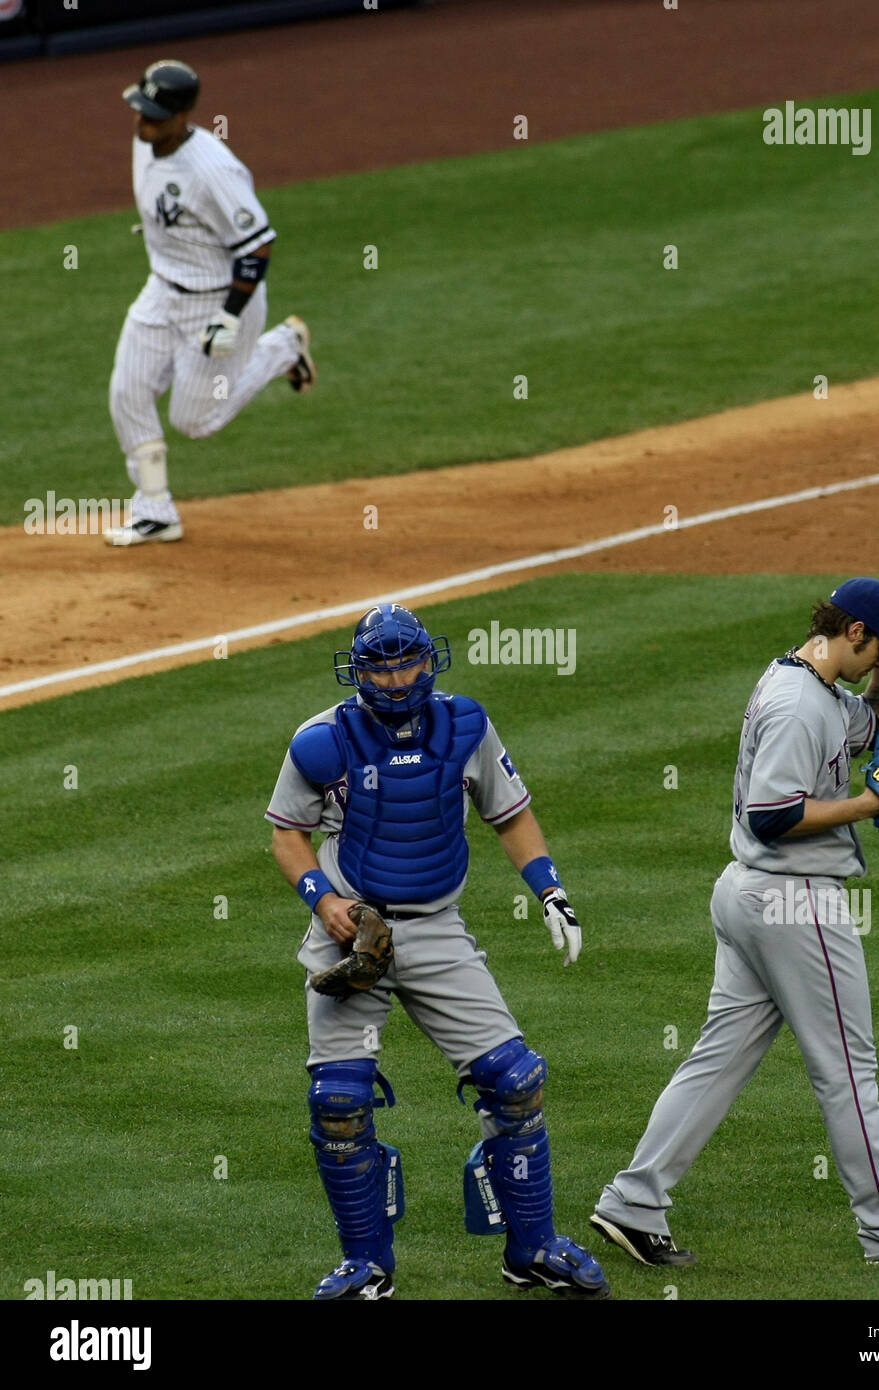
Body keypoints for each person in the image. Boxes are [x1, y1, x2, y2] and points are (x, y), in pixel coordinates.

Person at [591, 577, 879, 1269]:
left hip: (749, 897)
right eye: (878, 647)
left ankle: (633, 1200)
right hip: (791, 901)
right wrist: (869, 804)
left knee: (718, 1058)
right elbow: (771, 816)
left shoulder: (817, 687)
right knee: (847, 1070)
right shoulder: (800, 705)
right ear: (853, 630)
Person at [266, 603, 610, 1300]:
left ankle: (532, 1249)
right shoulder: (321, 741)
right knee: (339, 1101)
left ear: (430, 659)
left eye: (407, 661)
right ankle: (366, 1264)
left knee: (515, 1081)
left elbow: (508, 813)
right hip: (351, 931)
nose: (396, 678)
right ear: (358, 672)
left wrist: (551, 892)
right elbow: (286, 833)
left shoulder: (465, 727)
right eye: (380, 666)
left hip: (434, 928)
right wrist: (322, 901)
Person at [105, 60, 315, 546]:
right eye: (140, 111)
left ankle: (283, 347)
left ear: (183, 117)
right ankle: (155, 508)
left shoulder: (214, 170)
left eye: (154, 116)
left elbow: (257, 245)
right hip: (162, 291)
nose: (142, 123)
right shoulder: (146, 143)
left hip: (216, 301)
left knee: (194, 421)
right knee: (127, 393)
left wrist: (229, 317)